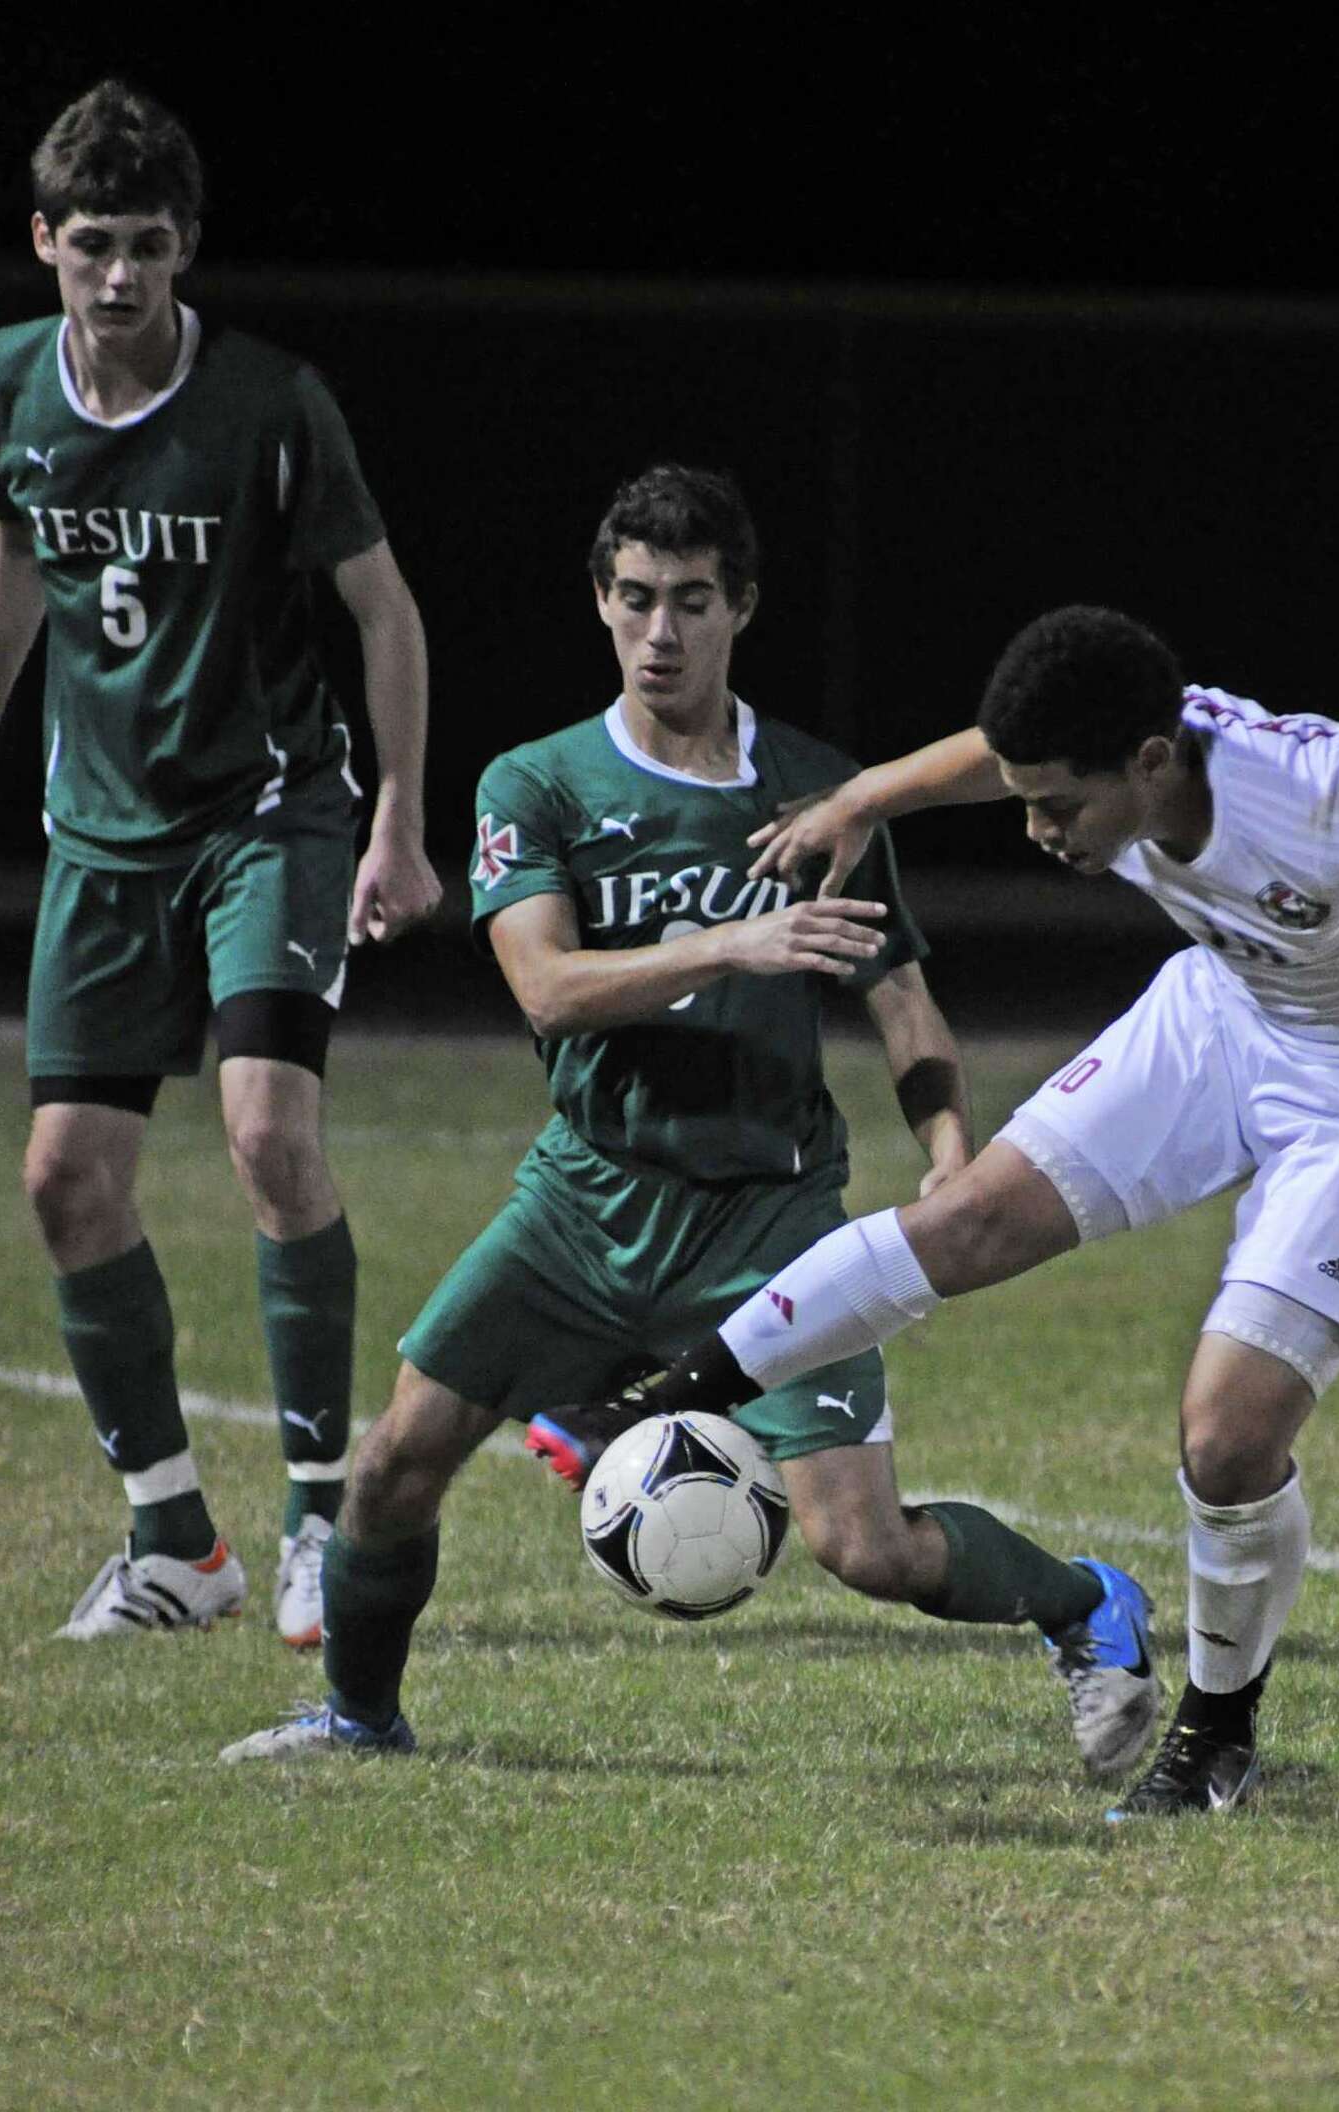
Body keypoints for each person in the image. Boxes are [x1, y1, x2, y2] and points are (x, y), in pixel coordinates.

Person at [525, 604, 1339, 1819]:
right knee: (969, 1219)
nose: (1036, 830)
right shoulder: (1112, 751)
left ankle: (1216, 1731)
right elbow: (999, 747)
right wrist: (868, 797)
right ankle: (662, 1401)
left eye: (1057, 806)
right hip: (1233, 1015)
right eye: (1024, 800)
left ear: (1149, 763)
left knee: (1227, 1439)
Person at [221, 467, 1157, 1769]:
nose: (663, 633)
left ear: (742, 609)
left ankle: (1089, 1605)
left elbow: (905, 1010)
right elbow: (546, 989)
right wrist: (734, 943)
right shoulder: (534, 784)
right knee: (392, 1470)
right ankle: (362, 1721)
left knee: (862, 1546)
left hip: (768, 1218)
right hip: (581, 1204)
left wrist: (949, 1161)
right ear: (601, 604)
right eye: (639, 600)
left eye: (694, 602)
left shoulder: (822, 796)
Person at [0, 82, 440, 1647]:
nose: (121, 277)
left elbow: (383, 611)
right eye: (94, 244)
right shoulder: (8, 395)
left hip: (267, 817)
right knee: (64, 1181)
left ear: (188, 251)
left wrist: (395, 817)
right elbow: (16, 585)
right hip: (100, 841)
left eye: (152, 247)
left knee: (267, 1133)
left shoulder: (266, 402)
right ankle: (176, 1543)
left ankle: (322, 1517)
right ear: (44, 241)